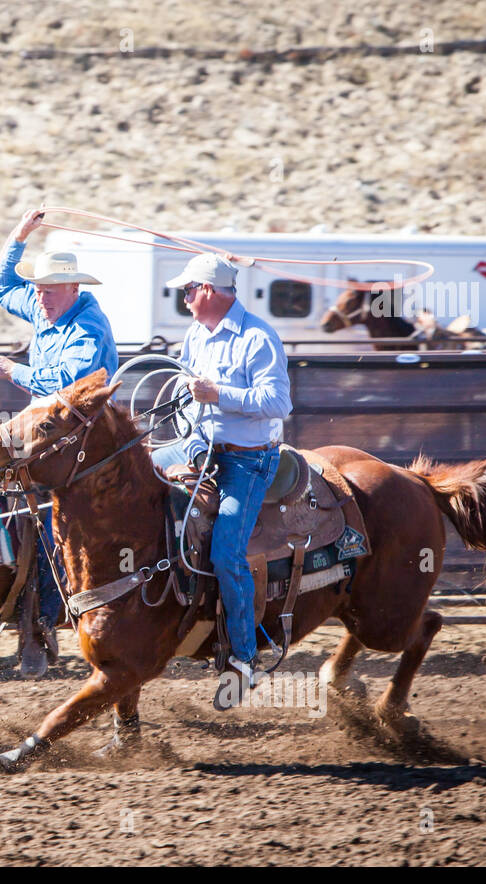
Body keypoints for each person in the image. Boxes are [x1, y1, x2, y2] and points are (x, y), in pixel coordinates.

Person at [155, 253, 293, 710]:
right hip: (202, 447)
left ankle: (244, 657)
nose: (185, 299)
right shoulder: (197, 334)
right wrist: (185, 425)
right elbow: (183, 388)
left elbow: (277, 402)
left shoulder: (257, 337)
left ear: (209, 291)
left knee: (227, 548)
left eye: (189, 291)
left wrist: (219, 395)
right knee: (131, 472)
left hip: (247, 461)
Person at [0, 208, 120, 677]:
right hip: (49, 429)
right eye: (38, 290)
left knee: (44, 512)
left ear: (73, 289)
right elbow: (4, 290)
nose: (38, 299)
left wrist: (13, 370)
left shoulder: (87, 327)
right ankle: (16, 594)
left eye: (47, 290)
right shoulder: (49, 307)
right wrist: (18, 236)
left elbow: (69, 379)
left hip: (83, 436)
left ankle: (44, 618)